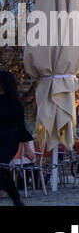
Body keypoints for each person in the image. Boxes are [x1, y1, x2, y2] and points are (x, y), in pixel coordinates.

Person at [0, 70, 31, 206]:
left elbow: (21, 127)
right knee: (3, 171)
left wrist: (27, 149)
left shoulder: (15, 104)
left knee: (1, 167)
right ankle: (16, 199)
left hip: (9, 141)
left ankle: (16, 198)